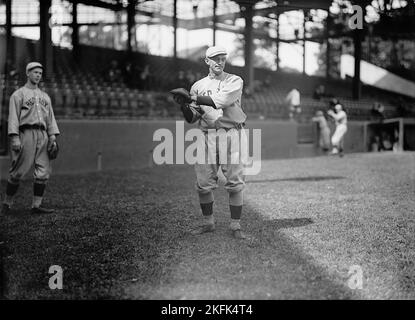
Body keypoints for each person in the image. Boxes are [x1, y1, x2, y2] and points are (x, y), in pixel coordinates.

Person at [171, 46, 249, 240]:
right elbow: (192, 117)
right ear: (207, 61)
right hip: (207, 135)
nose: (220, 62)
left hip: (232, 133)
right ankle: (208, 223)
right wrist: (184, 105)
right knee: (203, 183)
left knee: (235, 183)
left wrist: (193, 98)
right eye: (215, 59)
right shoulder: (197, 85)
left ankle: (235, 226)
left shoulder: (234, 80)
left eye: (223, 58)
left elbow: (221, 100)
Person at [1, 62, 60, 216]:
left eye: (40, 73)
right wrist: (14, 137)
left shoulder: (45, 96)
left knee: (43, 171)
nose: (38, 75)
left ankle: (36, 205)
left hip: (43, 134)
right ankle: (7, 204)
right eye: (35, 72)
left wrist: (52, 136)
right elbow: (13, 117)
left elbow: (50, 118)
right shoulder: (18, 94)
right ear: (27, 73)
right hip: (25, 132)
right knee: (18, 171)